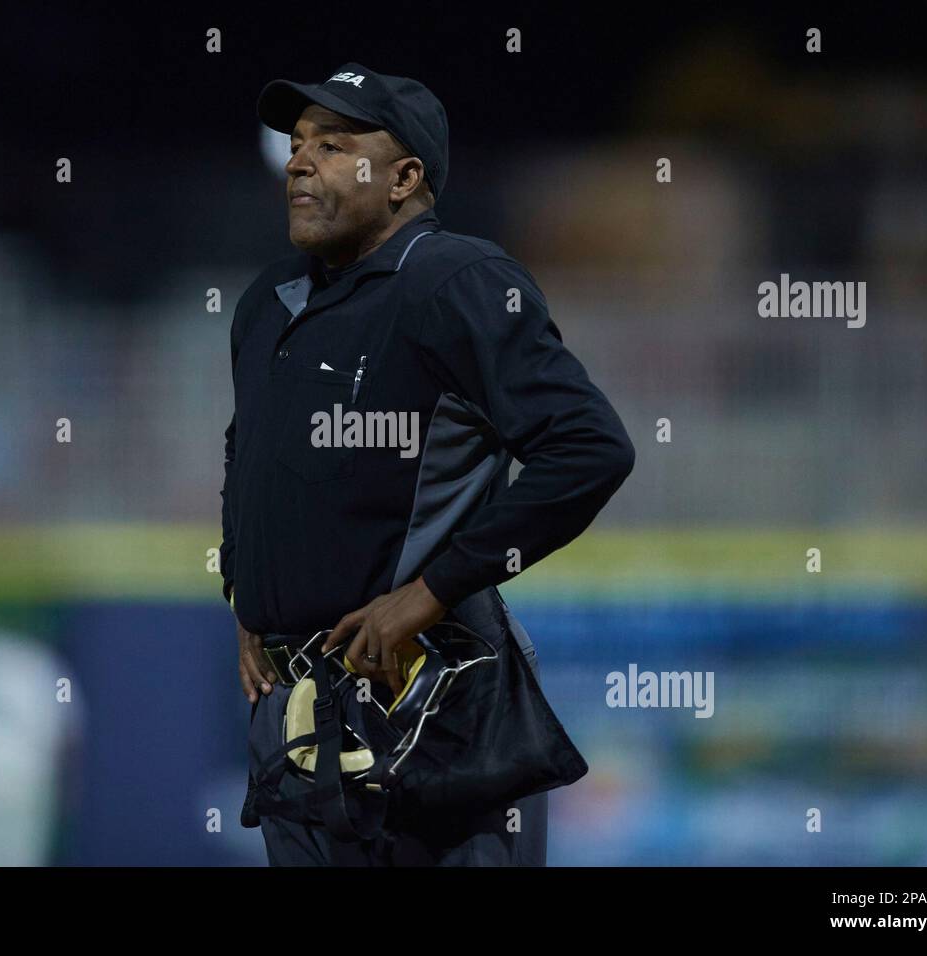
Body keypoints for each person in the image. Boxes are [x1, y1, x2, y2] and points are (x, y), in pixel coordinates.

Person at [220, 62, 635, 865]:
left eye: (335, 146)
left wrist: (430, 591)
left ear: (405, 177)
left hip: (433, 707)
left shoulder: (457, 281)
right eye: (298, 144)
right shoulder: (269, 300)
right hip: (298, 721)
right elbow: (250, 445)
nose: (300, 162)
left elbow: (589, 448)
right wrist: (245, 589)